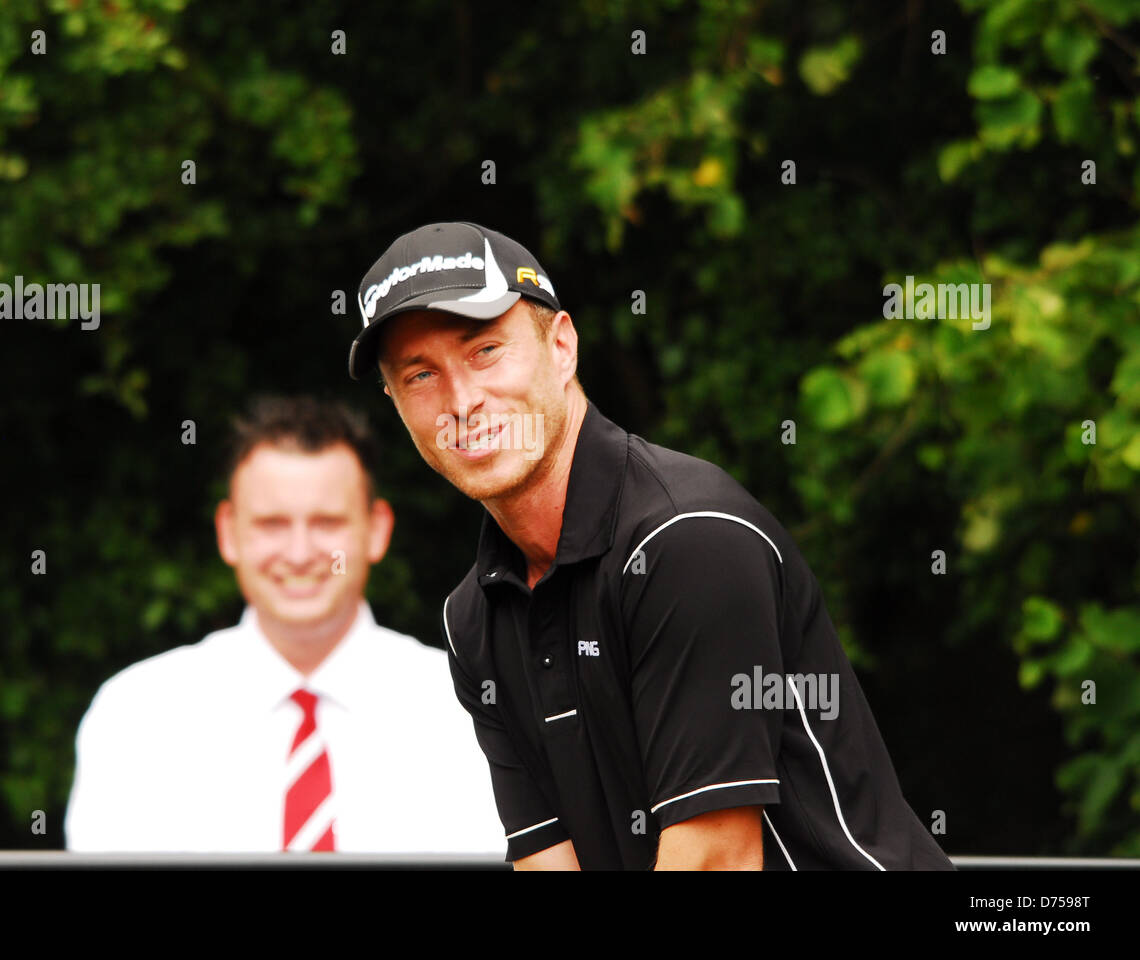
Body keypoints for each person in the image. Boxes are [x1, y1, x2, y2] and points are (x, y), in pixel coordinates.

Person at [347, 220, 956, 871]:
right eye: (419, 376)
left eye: (485, 350)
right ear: (394, 401)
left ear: (562, 346)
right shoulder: (474, 617)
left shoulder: (688, 538)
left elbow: (715, 861)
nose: (462, 400)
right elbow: (548, 865)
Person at [64, 394, 504, 854]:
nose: (298, 554)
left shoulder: (466, 714)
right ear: (228, 532)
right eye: (272, 523)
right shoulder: (136, 716)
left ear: (376, 529)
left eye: (327, 522)